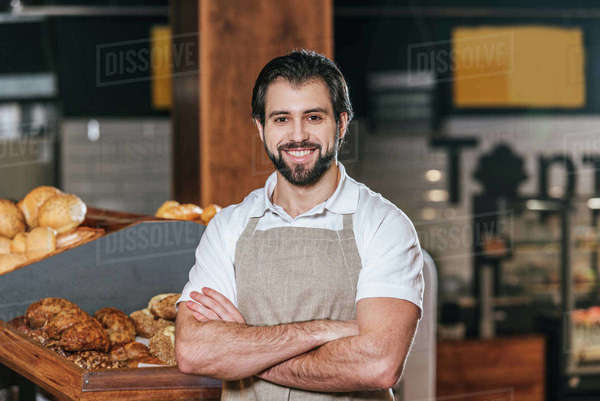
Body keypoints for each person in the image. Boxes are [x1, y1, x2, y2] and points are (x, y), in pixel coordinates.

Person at [175, 49, 424, 401]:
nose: (297, 135)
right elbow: (193, 352)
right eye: (281, 119)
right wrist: (324, 331)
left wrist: (245, 347)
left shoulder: (384, 225)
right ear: (260, 127)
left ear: (341, 123)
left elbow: (378, 365)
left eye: (313, 117)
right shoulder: (229, 226)